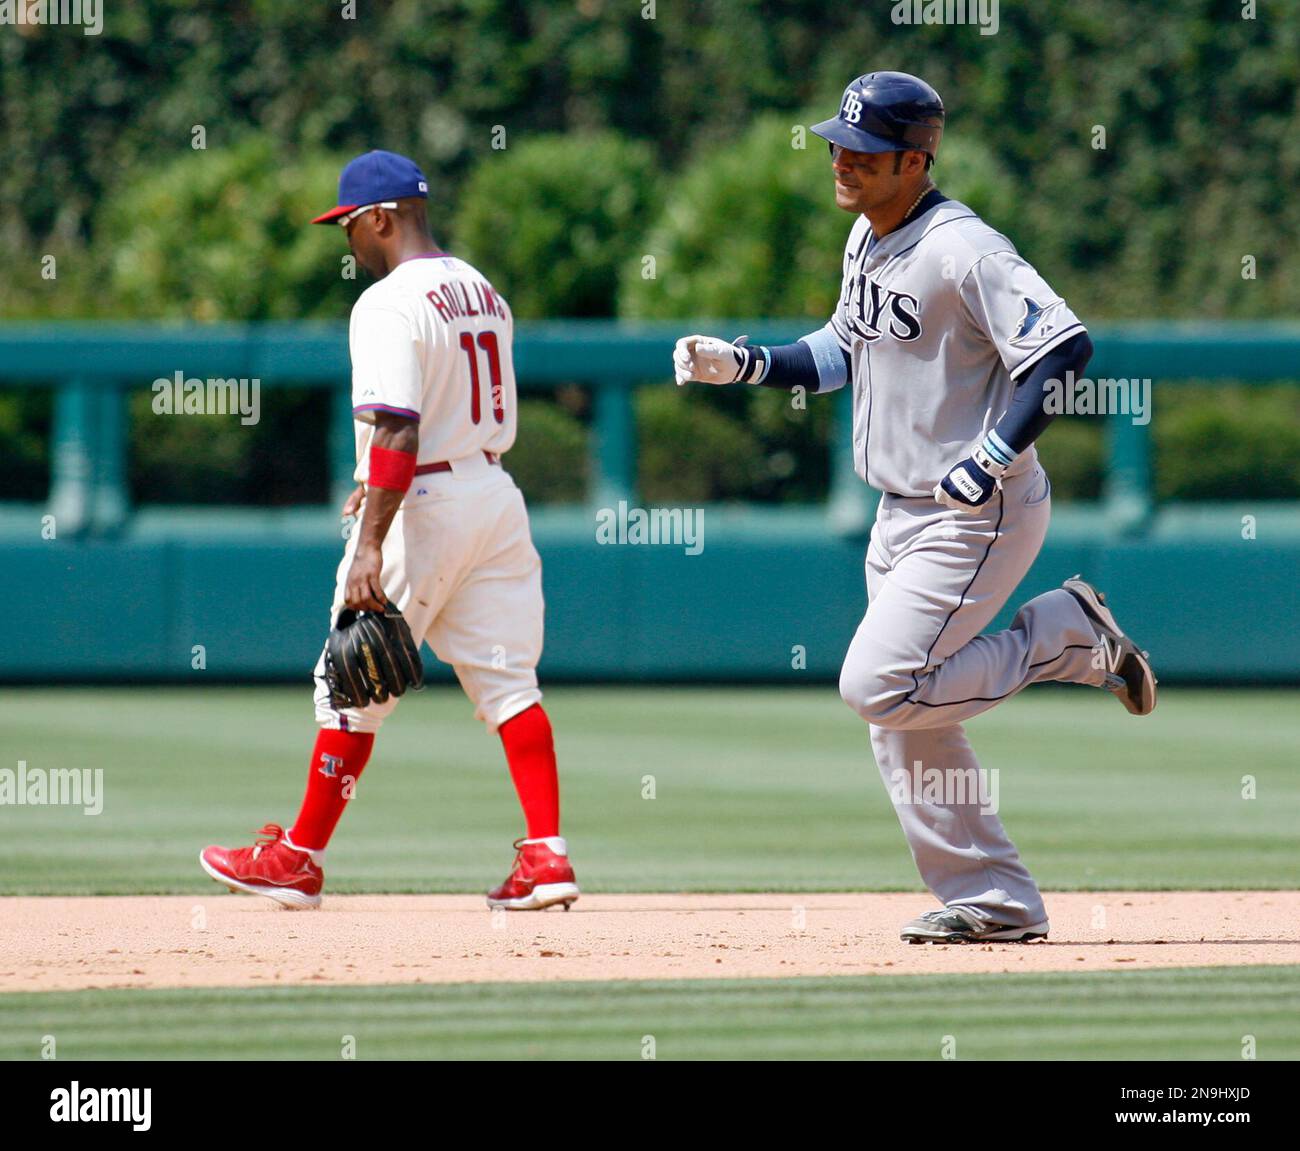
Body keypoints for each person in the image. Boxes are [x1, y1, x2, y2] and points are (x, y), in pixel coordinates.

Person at [673, 73, 1155, 944]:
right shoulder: (867, 237)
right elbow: (839, 352)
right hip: (899, 512)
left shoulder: (965, 249)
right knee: (905, 723)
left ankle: (1068, 638)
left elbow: (1065, 348)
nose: (841, 160)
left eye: (862, 149)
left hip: (977, 510)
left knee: (877, 684)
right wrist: (745, 365)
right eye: (836, 144)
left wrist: (996, 451)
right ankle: (997, 899)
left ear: (915, 158)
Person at [201, 150, 578, 912]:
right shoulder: (482, 288)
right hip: (493, 492)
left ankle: (298, 858)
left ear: (380, 218)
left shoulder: (384, 303)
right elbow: (438, 418)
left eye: (348, 226)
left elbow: (400, 430)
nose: (348, 242)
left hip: (426, 506)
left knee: (346, 683)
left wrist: (373, 538)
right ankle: (547, 853)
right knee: (509, 683)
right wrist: (377, 488)